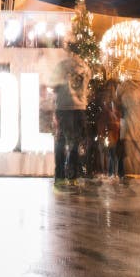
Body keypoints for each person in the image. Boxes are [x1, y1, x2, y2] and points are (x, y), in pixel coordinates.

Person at [49, 54, 91, 187]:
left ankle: (60, 175)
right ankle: (73, 176)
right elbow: (88, 82)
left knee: (61, 141)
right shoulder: (85, 66)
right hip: (80, 107)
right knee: (76, 142)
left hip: (64, 106)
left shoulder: (62, 66)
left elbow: (53, 84)